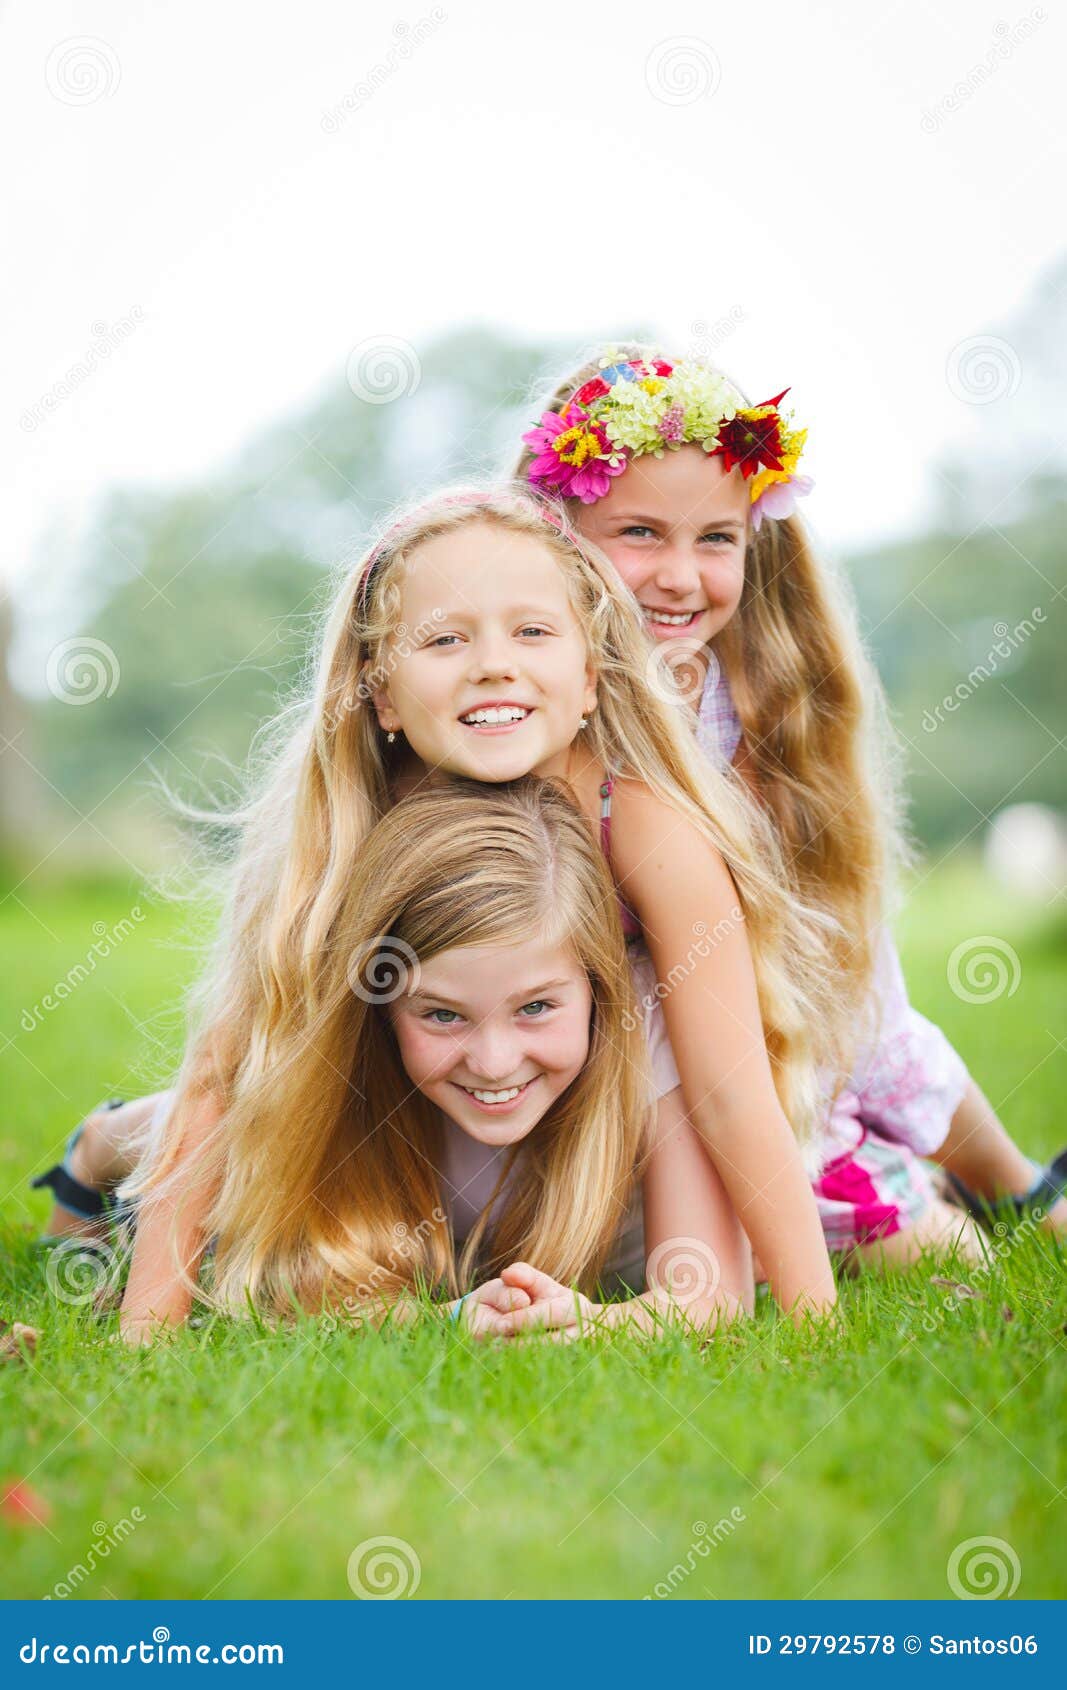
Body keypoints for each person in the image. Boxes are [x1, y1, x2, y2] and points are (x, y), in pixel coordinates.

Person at [34, 485, 847, 1338]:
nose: (493, 664)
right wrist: (148, 1330)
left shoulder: (646, 828)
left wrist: (813, 1319)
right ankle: (109, 1142)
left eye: (531, 632)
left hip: (572, 1100)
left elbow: (727, 1090)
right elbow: (224, 1077)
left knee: (652, 1016)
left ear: (590, 680)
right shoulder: (342, 821)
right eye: (445, 639)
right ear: (379, 693)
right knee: (223, 1115)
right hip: (397, 1096)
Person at [514, 346, 1067, 1267]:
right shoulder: (519, 703)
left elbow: (850, 986)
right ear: (554, 529)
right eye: (638, 533)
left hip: (766, 1058)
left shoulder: (751, 714)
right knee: (931, 1252)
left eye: (716, 539)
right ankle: (924, 1191)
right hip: (624, 1077)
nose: (681, 576)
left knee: (942, 1236)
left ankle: (1013, 1184)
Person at [35, 781, 754, 1336]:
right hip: (289, 1164)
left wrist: (589, 1322)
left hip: (476, 1227)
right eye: (442, 1014)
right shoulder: (345, 1065)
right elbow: (287, 1283)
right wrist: (448, 1318)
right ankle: (102, 1142)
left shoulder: (647, 1031)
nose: (496, 1061)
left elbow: (710, 1295)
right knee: (186, 1150)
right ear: (382, 1007)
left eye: (537, 1007)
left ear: (599, 985)